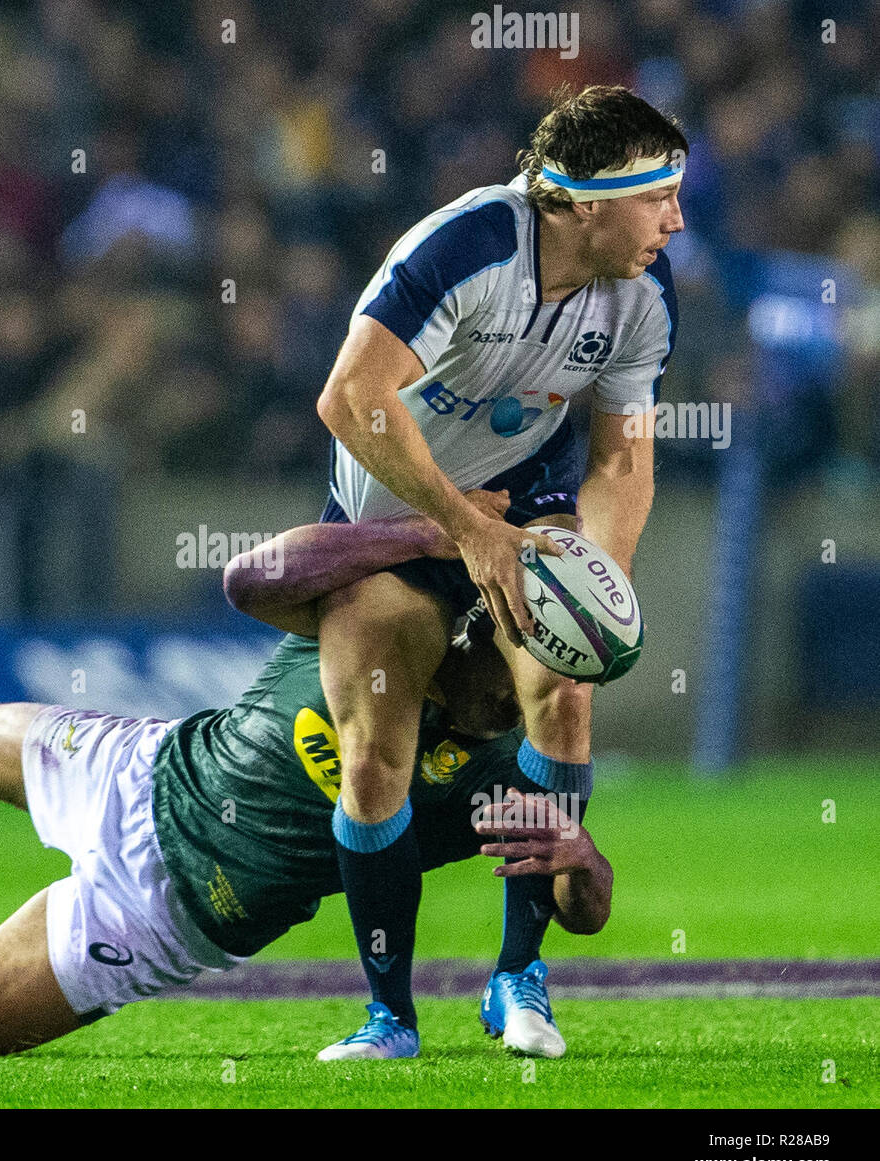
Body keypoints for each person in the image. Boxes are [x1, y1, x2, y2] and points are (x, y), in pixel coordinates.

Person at [0, 515, 612, 1061]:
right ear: (480, 639)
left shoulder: (501, 778)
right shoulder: (379, 622)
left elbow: (578, 909)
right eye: (509, 691)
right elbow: (252, 577)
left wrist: (584, 859)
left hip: (167, 910)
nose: (515, 711)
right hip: (148, 761)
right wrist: (435, 530)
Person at [307, 82, 682, 1055]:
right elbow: (351, 400)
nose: (675, 221)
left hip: (528, 510)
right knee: (374, 755)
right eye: (659, 198)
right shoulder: (465, 248)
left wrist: (595, 581)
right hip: (388, 524)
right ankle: (389, 1014)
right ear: (586, 200)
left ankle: (518, 975)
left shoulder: (643, 294)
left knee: (561, 693)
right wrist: (459, 529)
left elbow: (621, 458)